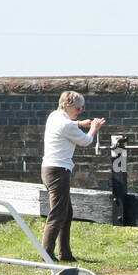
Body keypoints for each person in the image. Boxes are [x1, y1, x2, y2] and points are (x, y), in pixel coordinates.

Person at [40, 91, 105, 262]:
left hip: (48, 168)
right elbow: (85, 141)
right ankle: (46, 253)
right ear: (67, 105)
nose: (80, 111)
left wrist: (78, 122)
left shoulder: (54, 116)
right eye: (78, 108)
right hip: (58, 171)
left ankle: (65, 253)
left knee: (67, 213)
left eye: (82, 108)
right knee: (58, 213)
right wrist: (93, 128)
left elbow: (68, 124)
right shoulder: (67, 125)